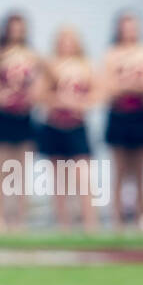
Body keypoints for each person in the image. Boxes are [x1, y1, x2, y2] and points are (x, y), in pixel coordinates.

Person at [36, 25, 98, 229]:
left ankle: (90, 223)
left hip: (77, 125)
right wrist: (59, 101)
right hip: (55, 125)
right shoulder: (51, 66)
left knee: (83, 177)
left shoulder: (86, 65)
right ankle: (64, 224)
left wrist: (80, 104)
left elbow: (98, 93)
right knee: (59, 180)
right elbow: (40, 94)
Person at [101, 11, 143, 231]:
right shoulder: (111, 54)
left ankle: (140, 218)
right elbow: (108, 88)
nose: (131, 31)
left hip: (141, 116)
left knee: (141, 171)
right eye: (127, 26)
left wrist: (130, 85)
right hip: (119, 116)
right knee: (120, 171)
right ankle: (117, 220)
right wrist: (130, 85)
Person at [0, 12, 41, 231]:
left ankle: (20, 220)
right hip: (2, 116)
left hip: (23, 116)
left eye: (21, 27)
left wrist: (33, 96)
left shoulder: (32, 55)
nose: (17, 32)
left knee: (21, 171)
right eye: (13, 27)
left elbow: (40, 82)